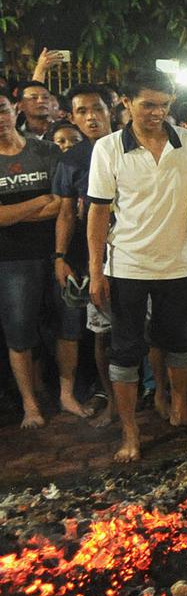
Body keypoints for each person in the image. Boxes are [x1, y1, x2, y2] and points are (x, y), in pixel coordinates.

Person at [86, 69, 187, 462]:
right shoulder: (109, 149)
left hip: (180, 264)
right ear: (126, 103)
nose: (157, 113)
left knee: (182, 343)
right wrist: (96, 270)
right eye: (148, 105)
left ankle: (181, 408)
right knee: (126, 350)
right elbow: (97, 214)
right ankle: (130, 431)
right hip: (127, 265)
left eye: (164, 106)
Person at [0, 94, 81, 430]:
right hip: (11, 260)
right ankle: (30, 405)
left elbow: (61, 205)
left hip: (57, 251)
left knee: (69, 324)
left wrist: (14, 213)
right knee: (19, 332)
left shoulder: (45, 150)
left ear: (13, 111)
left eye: (2, 110)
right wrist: (38, 201)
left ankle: (67, 394)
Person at [52, 84, 115, 426]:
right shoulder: (71, 160)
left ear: (112, 109)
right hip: (96, 257)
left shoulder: (131, 147)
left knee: (151, 331)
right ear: (72, 117)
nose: (91, 117)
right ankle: (114, 404)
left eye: (97, 108)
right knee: (102, 332)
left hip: (139, 250)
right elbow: (65, 212)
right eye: (82, 111)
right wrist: (60, 255)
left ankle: (162, 397)